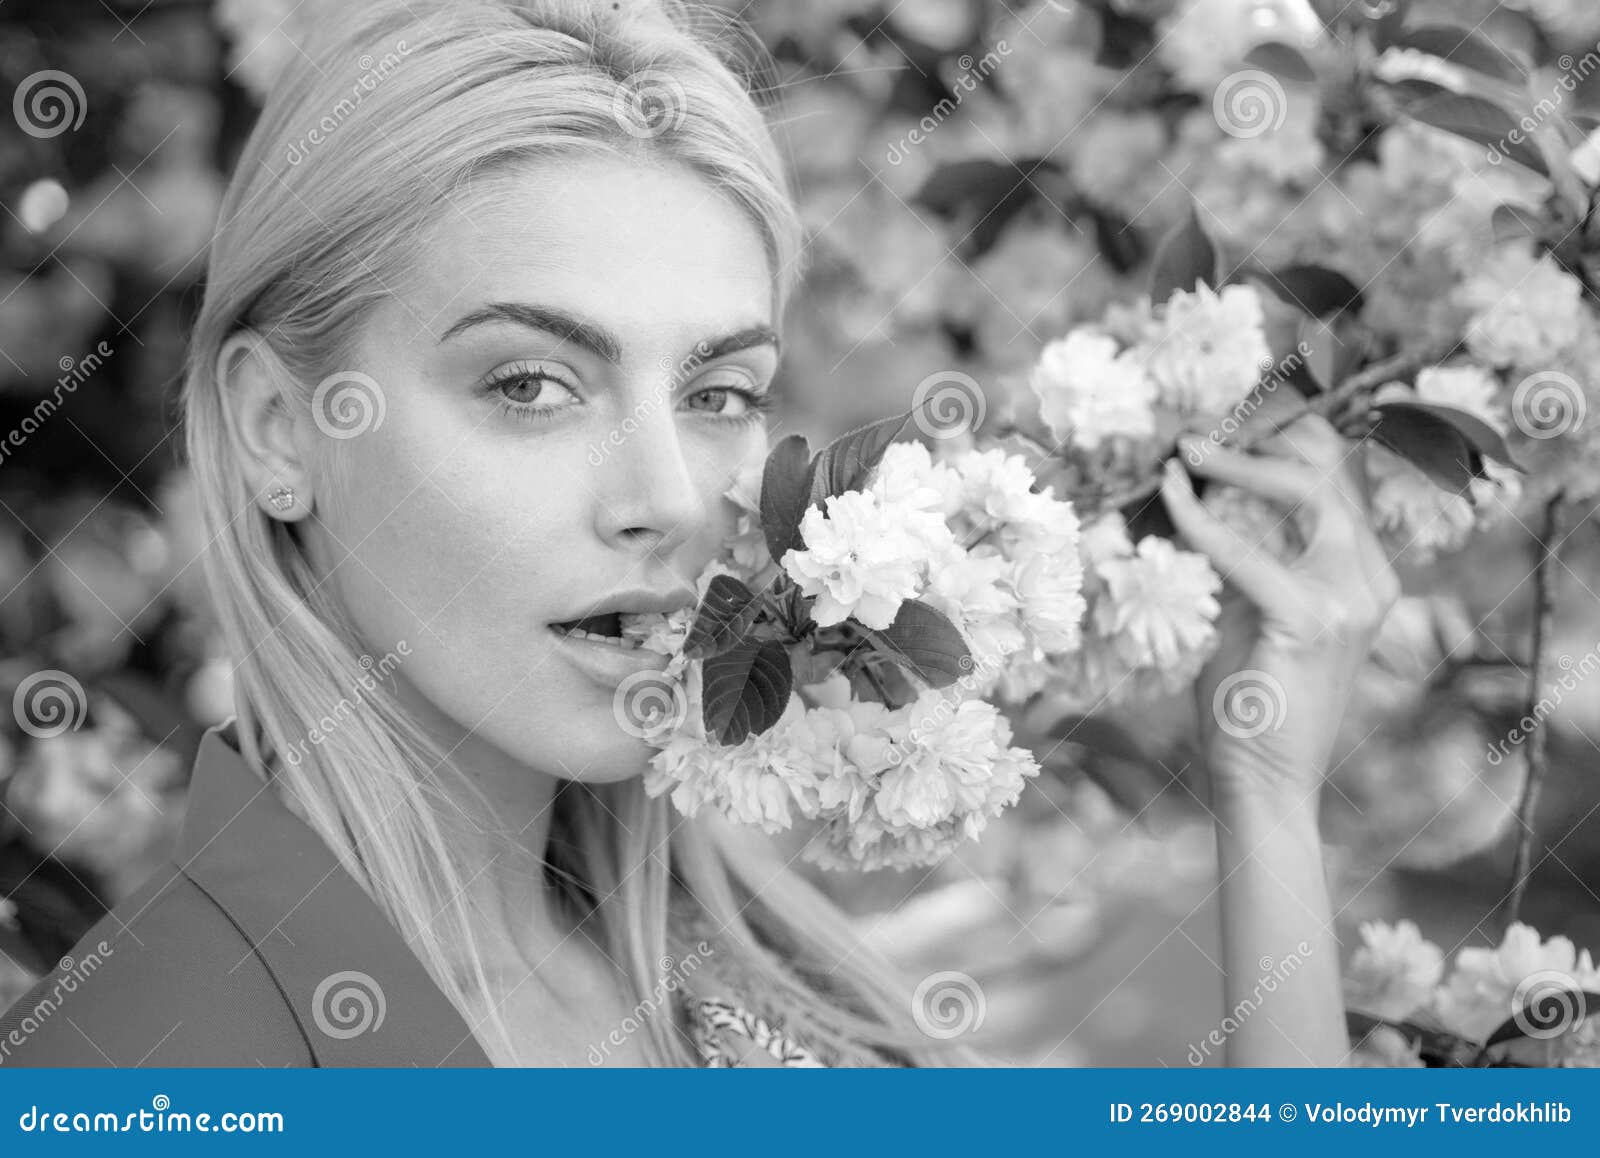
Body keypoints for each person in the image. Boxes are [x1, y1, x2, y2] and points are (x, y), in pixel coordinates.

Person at [0, 0, 1398, 1067]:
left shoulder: (736, 946)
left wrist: (1267, 797)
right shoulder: (149, 1060)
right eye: (529, 384)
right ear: (277, 430)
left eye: (719, 392)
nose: (670, 497)